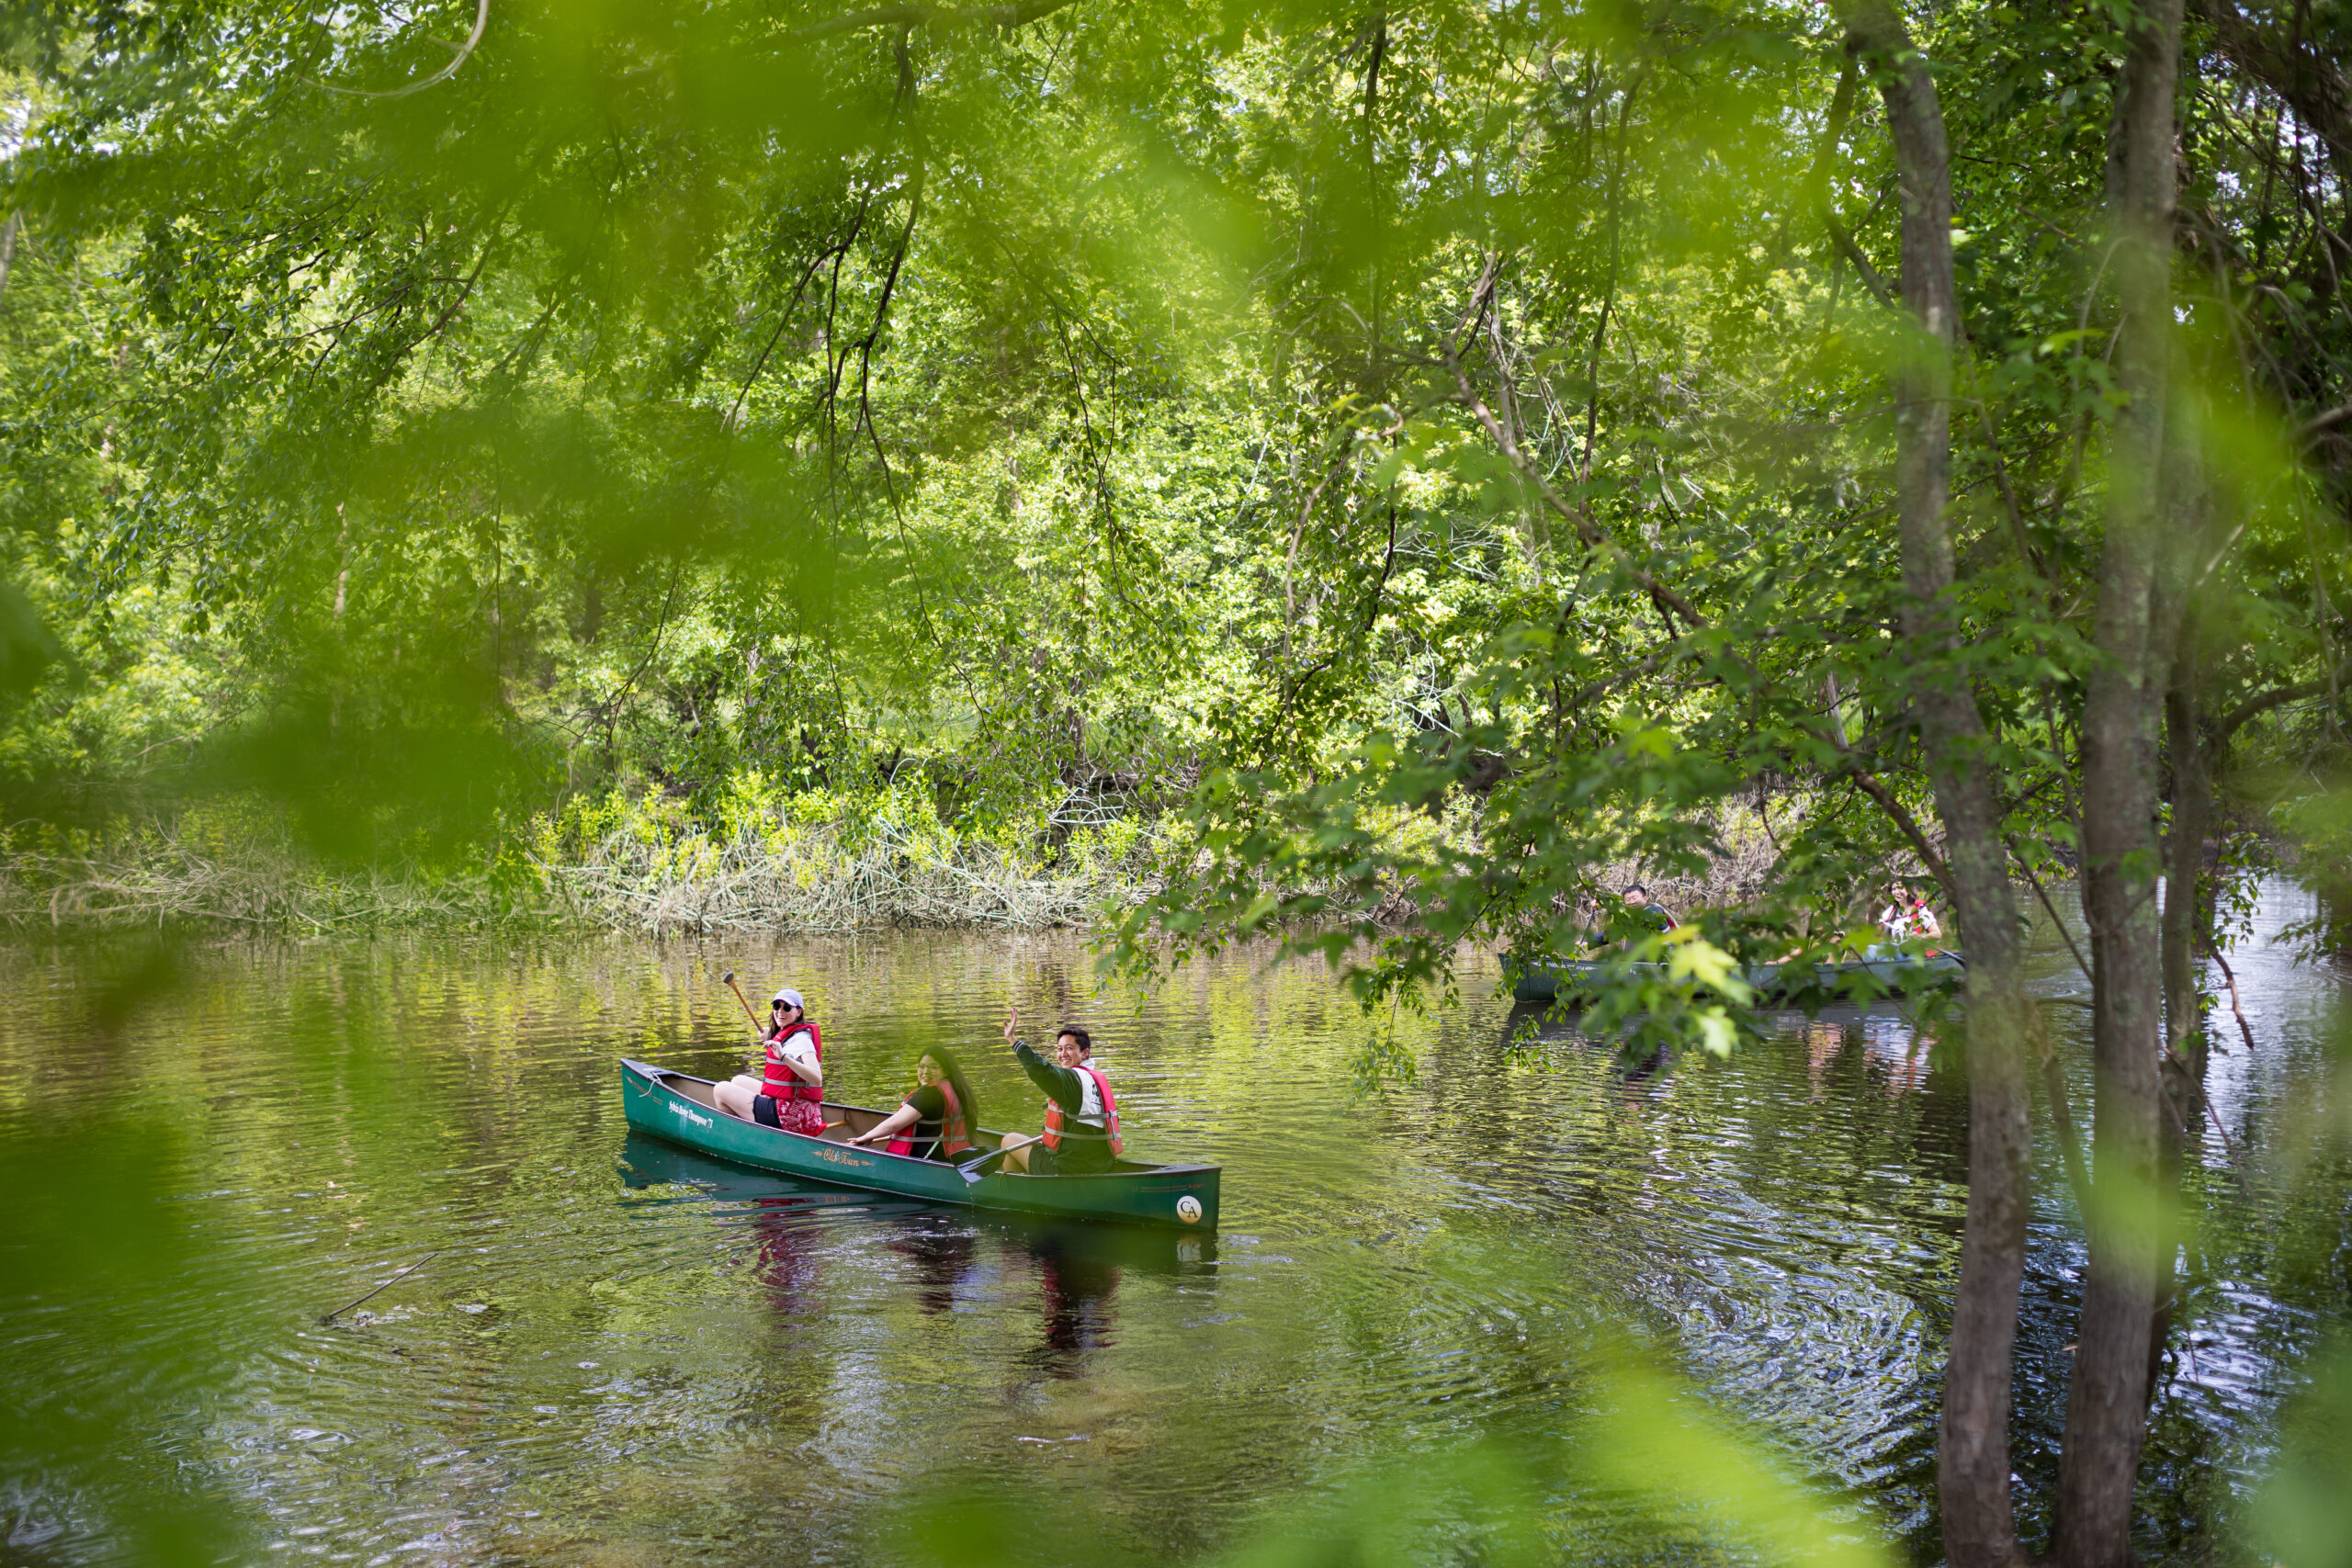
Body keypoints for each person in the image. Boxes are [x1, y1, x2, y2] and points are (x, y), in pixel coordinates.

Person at [998, 1006, 1122, 1176]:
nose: (1063, 1054)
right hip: (1101, 1164)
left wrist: (1013, 1040)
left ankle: (1016, 1194)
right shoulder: (1094, 1080)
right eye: (1059, 1049)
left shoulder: (1071, 1079)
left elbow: (1041, 1070)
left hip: (1067, 1167)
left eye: (1069, 1048)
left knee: (1009, 1140)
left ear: (1085, 1053)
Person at [715, 987, 825, 1134]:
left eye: (787, 1007)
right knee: (737, 1080)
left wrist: (783, 1057)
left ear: (799, 1012)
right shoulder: (790, 1032)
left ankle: (744, 1136)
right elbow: (785, 1043)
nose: (780, 1011)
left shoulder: (802, 1040)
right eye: (776, 1006)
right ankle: (754, 1125)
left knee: (720, 1089)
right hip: (801, 1111)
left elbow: (816, 1078)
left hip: (793, 1117)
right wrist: (771, 1035)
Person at [847, 1046, 980, 1161]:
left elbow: (894, 1124)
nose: (925, 1072)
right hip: (952, 1158)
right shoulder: (956, 1089)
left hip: (928, 1160)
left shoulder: (930, 1094)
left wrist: (866, 1136)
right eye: (922, 1066)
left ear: (945, 1071)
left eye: (933, 1067)